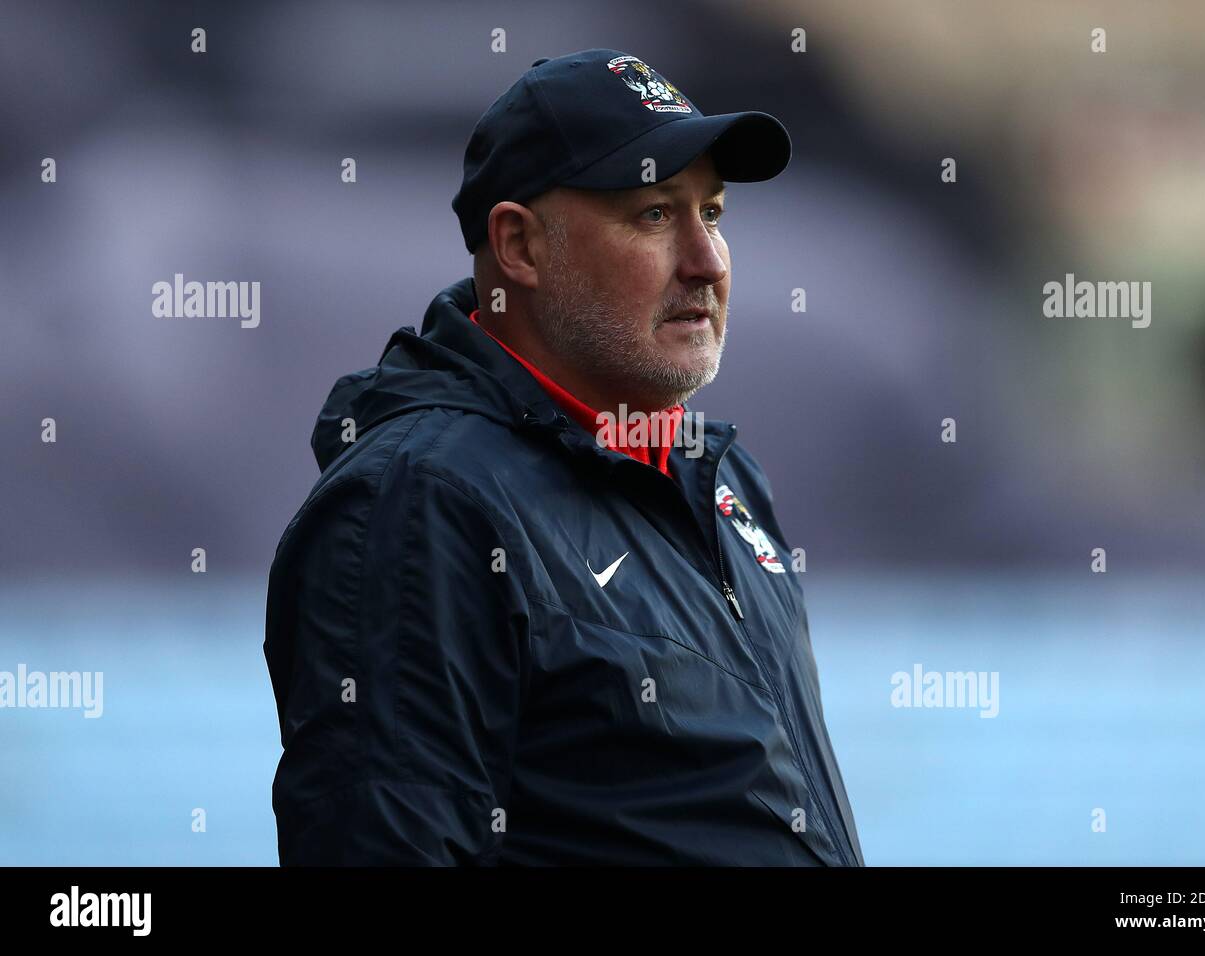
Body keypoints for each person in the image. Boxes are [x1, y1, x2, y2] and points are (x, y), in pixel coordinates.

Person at [263, 48, 864, 866]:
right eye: (654, 215)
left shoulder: (716, 474)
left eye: (713, 214)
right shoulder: (422, 502)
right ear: (521, 246)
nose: (707, 261)